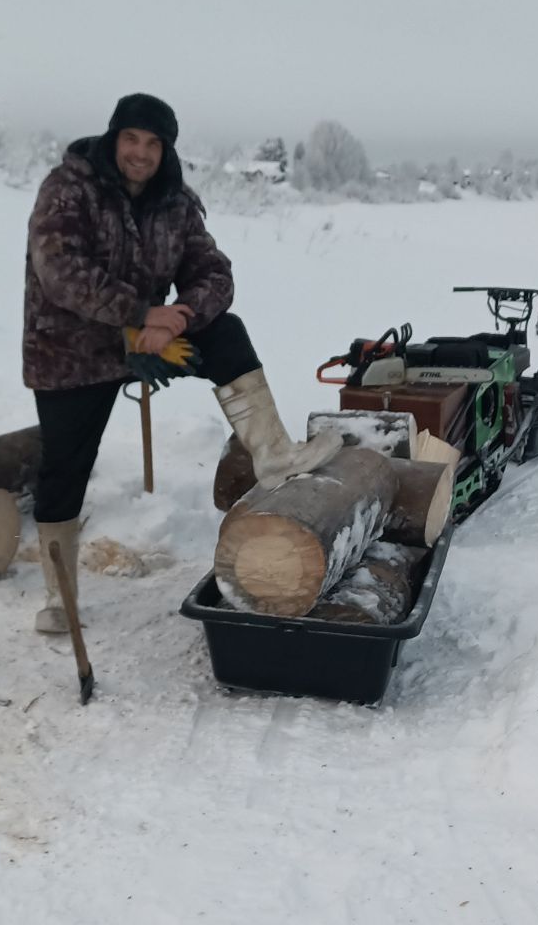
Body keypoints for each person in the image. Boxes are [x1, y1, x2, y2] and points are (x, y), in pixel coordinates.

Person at [22, 93, 340, 633]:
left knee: (226, 333)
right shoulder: (69, 188)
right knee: (65, 467)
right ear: (112, 137)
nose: (140, 153)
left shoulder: (176, 202)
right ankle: (59, 596)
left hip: (151, 342)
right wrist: (141, 312)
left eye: (152, 143)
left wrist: (179, 316)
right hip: (72, 350)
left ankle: (272, 452)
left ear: (165, 149)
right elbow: (59, 273)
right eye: (131, 139)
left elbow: (216, 273)